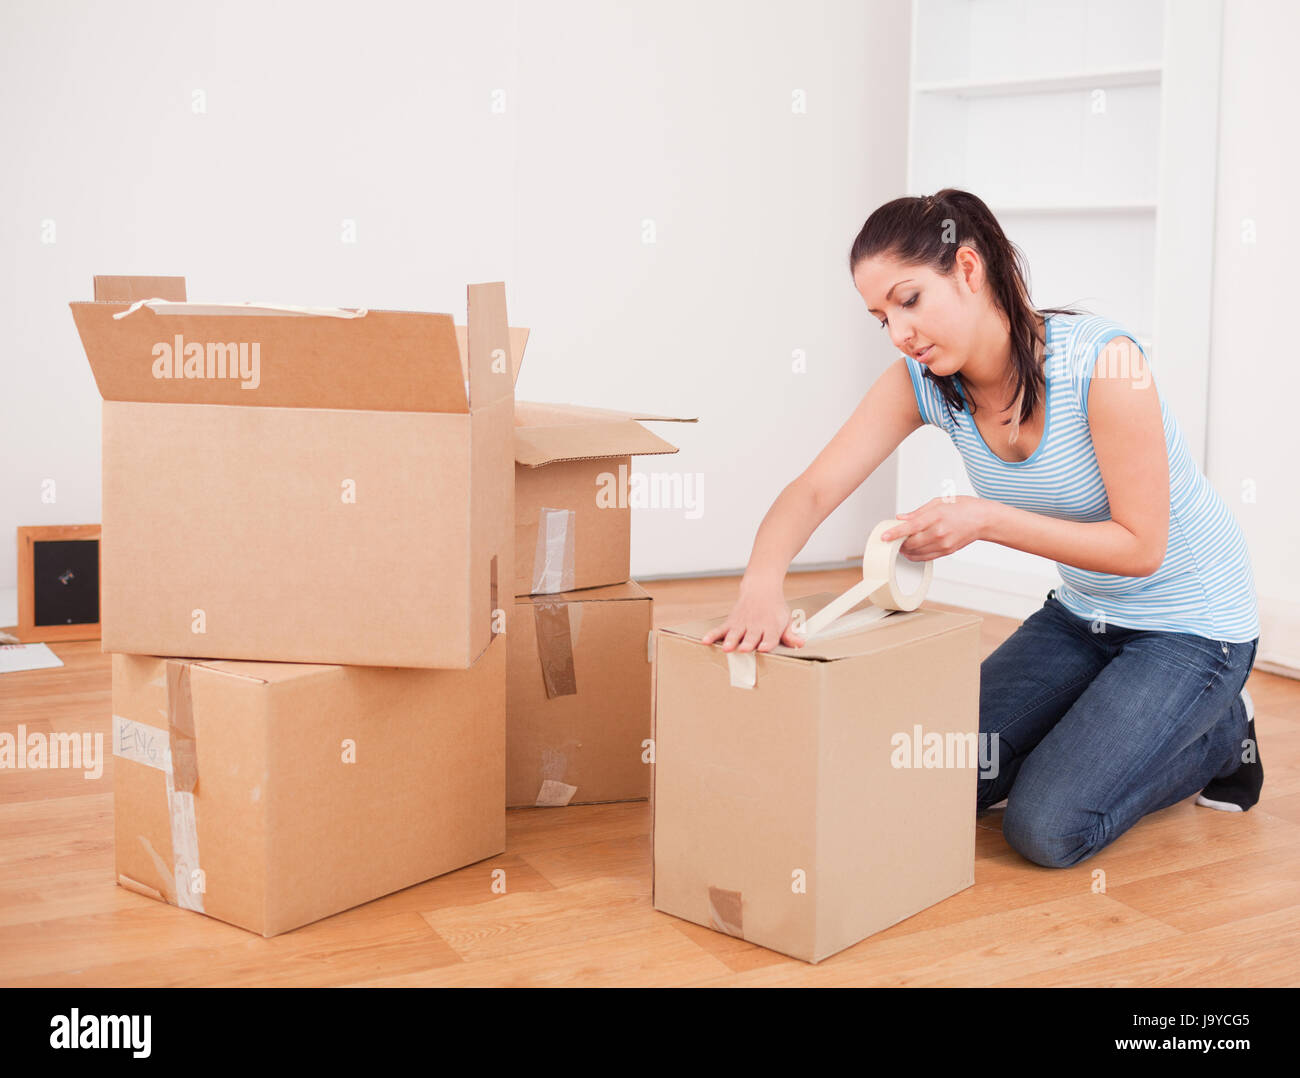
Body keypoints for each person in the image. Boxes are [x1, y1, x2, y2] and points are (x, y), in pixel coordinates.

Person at [701, 188, 1263, 868]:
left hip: (1193, 627)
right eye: (880, 317)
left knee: (1045, 828)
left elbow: (1142, 549)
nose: (899, 333)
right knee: (928, 783)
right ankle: (1117, 719)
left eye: (908, 301)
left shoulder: (1103, 366)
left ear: (969, 270)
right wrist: (761, 584)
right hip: (1084, 616)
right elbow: (814, 487)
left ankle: (1222, 732)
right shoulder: (923, 381)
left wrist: (985, 520)